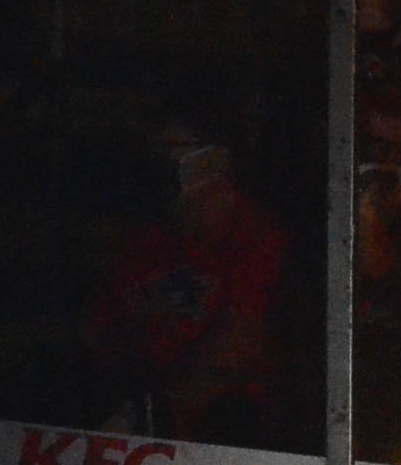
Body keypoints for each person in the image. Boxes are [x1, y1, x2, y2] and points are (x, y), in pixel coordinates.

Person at [85, 122, 287, 445]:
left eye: (177, 153)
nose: (164, 165)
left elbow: (238, 346)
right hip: (134, 422)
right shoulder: (142, 240)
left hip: (225, 433)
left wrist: (158, 415)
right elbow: (103, 337)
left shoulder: (256, 235)